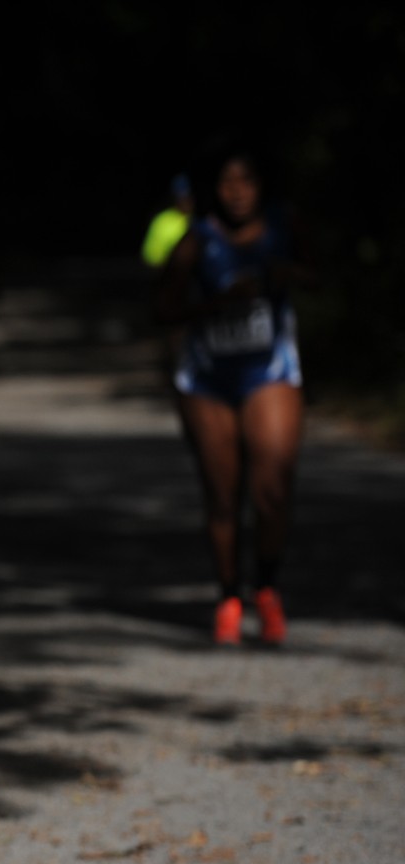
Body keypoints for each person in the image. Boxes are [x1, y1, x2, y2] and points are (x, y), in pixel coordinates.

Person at [155, 144, 318, 646]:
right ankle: (228, 595)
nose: (238, 191)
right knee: (223, 496)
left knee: (271, 488)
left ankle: (265, 587)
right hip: (207, 376)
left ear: (262, 184)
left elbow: (318, 272)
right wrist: (217, 303)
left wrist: (287, 276)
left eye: (247, 180)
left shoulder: (283, 225)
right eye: (227, 181)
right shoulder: (195, 241)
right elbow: (163, 310)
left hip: (268, 368)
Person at [142, 173, 195, 270]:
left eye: (189, 196)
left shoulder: (200, 219)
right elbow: (151, 258)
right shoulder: (163, 220)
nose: (186, 200)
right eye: (182, 197)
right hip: (167, 272)